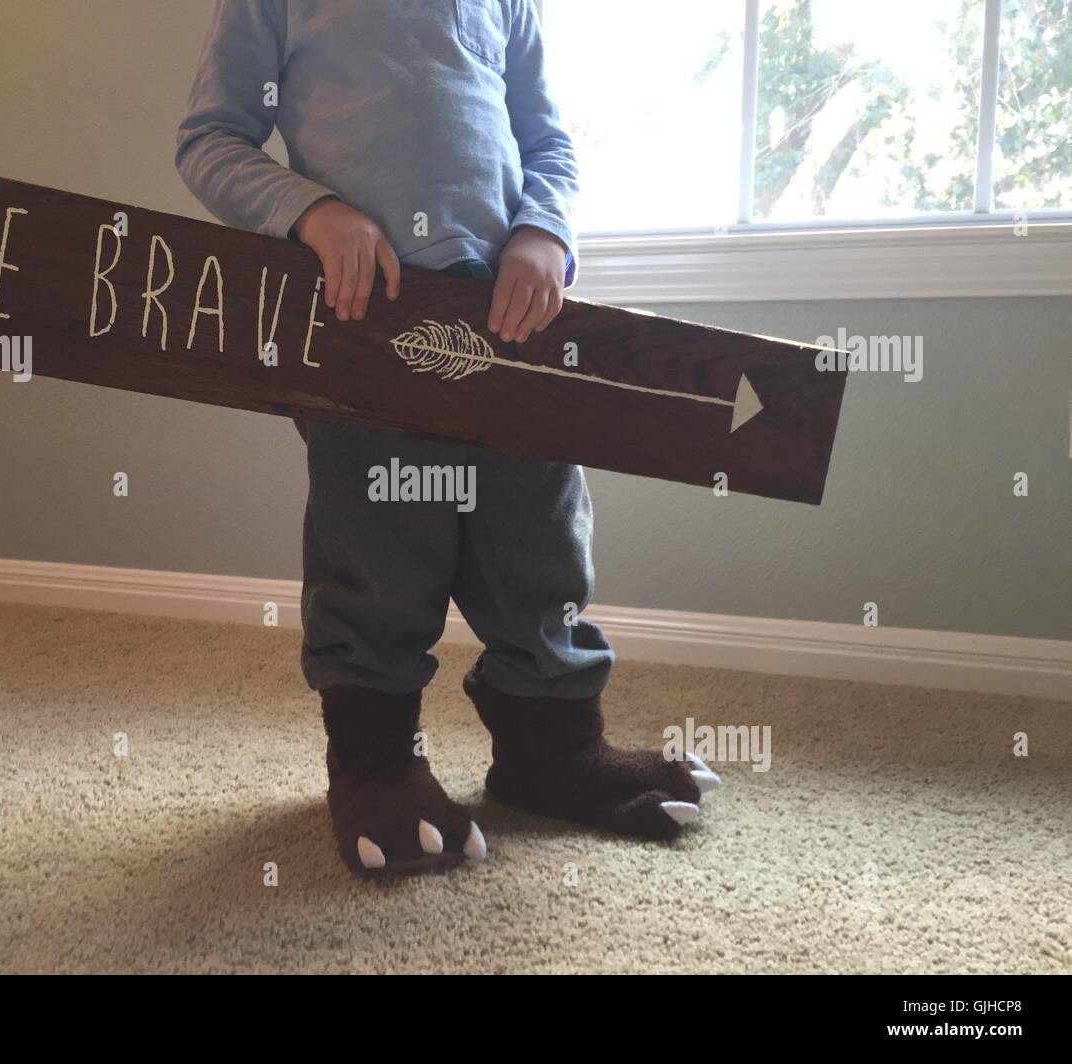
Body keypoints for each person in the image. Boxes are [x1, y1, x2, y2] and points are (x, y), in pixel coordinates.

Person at [176, 0, 720, 875]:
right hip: (367, 326)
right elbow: (209, 138)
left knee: (538, 543)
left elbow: (548, 142)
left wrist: (544, 229)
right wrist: (312, 210)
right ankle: (376, 765)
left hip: (514, 328)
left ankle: (551, 751)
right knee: (376, 555)